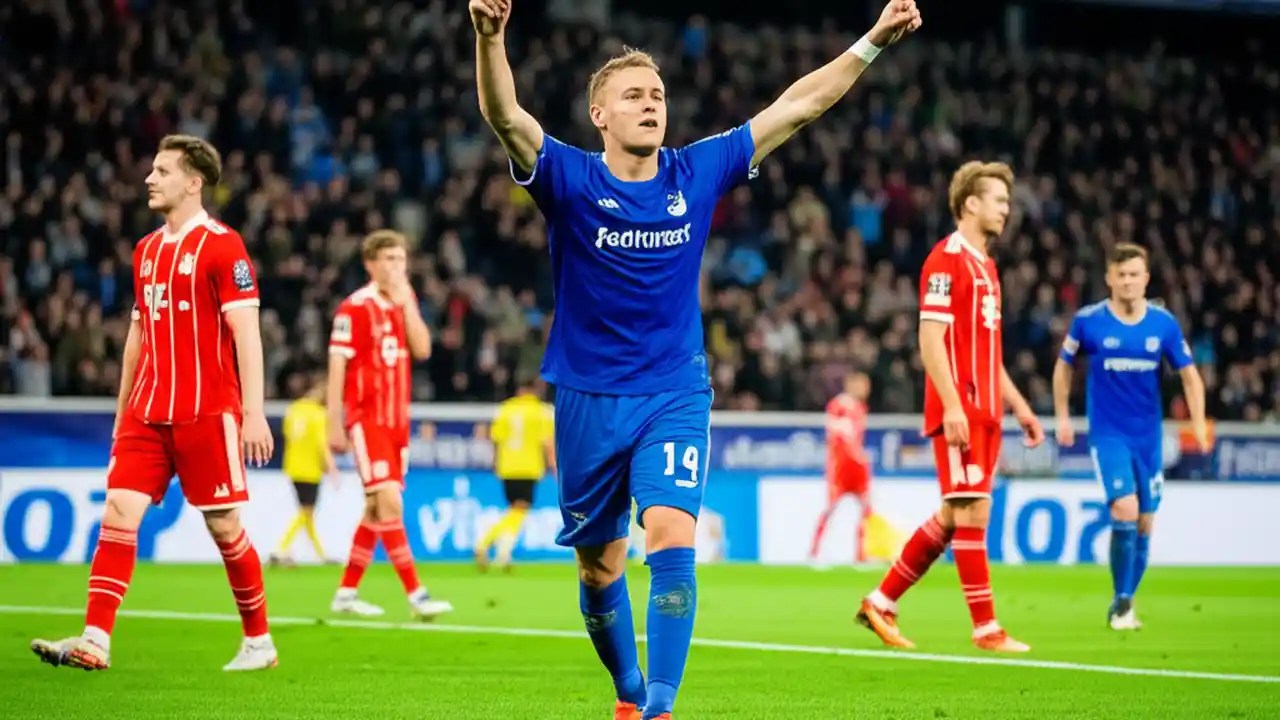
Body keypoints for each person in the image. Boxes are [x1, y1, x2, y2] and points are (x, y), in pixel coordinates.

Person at [470, 0, 921, 717]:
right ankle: (627, 692)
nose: (651, 105)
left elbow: (798, 107)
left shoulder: (696, 170)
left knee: (672, 531)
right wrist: (489, 39)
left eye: (658, 95)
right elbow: (505, 117)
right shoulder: (571, 178)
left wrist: (869, 42)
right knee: (599, 567)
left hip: (675, 389)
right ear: (600, 116)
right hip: (588, 395)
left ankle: (660, 707)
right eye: (633, 96)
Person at [30, 134, 278, 671]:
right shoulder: (145, 251)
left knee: (224, 528)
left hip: (207, 412)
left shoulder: (223, 245)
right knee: (119, 511)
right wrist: (123, 412)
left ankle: (259, 641)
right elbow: (136, 340)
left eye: (161, 171)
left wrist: (253, 411)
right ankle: (96, 639)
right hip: (147, 412)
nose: (149, 178)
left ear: (193, 183)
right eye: (151, 169)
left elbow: (246, 333)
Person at [856, 161, 1043, 653]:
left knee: (952, 513)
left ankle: (881, 600)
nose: (1006, 209)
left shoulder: (987, 266)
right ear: (970, 204)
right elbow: (930, 339)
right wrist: (953, 405)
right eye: (998, 200)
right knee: (972, 510)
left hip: (986, 411)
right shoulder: (946, 260)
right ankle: (986, 629)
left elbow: (991, 352)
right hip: (961, 408)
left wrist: (1020, 406)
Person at [1052, 242, 1209, 630]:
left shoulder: (1163, 325)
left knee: (1144, 524)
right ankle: (1122, 605)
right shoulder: (1088, 322)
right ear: (1108, 278)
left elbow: (1190, 375)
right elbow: (1063, 367)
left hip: (1148, 439)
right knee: (1123, 508)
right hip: (1108, 435)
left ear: (1146, 279)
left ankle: (1124, 599)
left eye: (1134, 274)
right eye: (1120, 275)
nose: (1127, 281)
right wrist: (1062, 417)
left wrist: (1200, 421)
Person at [326, 229, 453, 621]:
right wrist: (335, 422)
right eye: (387, 259)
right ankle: (417, 595)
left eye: (400, 259)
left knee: (374, 508)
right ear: (370, 264)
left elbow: (424, 349)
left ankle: (346, 594)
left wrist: (408, 307)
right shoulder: (354, 307)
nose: (395, 266)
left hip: (398, 421)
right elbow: (337, 367)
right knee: (390, 502)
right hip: (367, 419)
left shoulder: (404, 302)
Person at [475, 375, 556, 572]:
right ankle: (485, 542)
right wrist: (553, 465)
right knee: (519, 509)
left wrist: (495, 462)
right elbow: (547, 442)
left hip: (507, 467)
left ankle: (503, 553)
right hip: (528, 467)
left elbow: (495, 438)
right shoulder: (541, 411)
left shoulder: (505, 409)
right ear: (534, 391)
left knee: (515, 509)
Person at [270, 373, 338, 566]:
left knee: (306, 512)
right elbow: (321, 443)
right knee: (306, 511)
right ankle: (281, 548)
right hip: (310, 469)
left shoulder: (293, 409)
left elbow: (286, 434)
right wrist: (331, 467)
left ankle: (321, 554)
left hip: (293, 466)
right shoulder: (318, 414)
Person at [810, 371, 876, 564]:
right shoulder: (840, 405)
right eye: (862, 384)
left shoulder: (860, 407)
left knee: (866, 512)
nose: (866, 389)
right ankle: (816, 554)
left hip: (857, 469)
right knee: (830, 511)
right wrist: (856, 453)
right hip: (840, 467)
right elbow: (838, 434)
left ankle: (862, 556)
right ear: (850, 384)